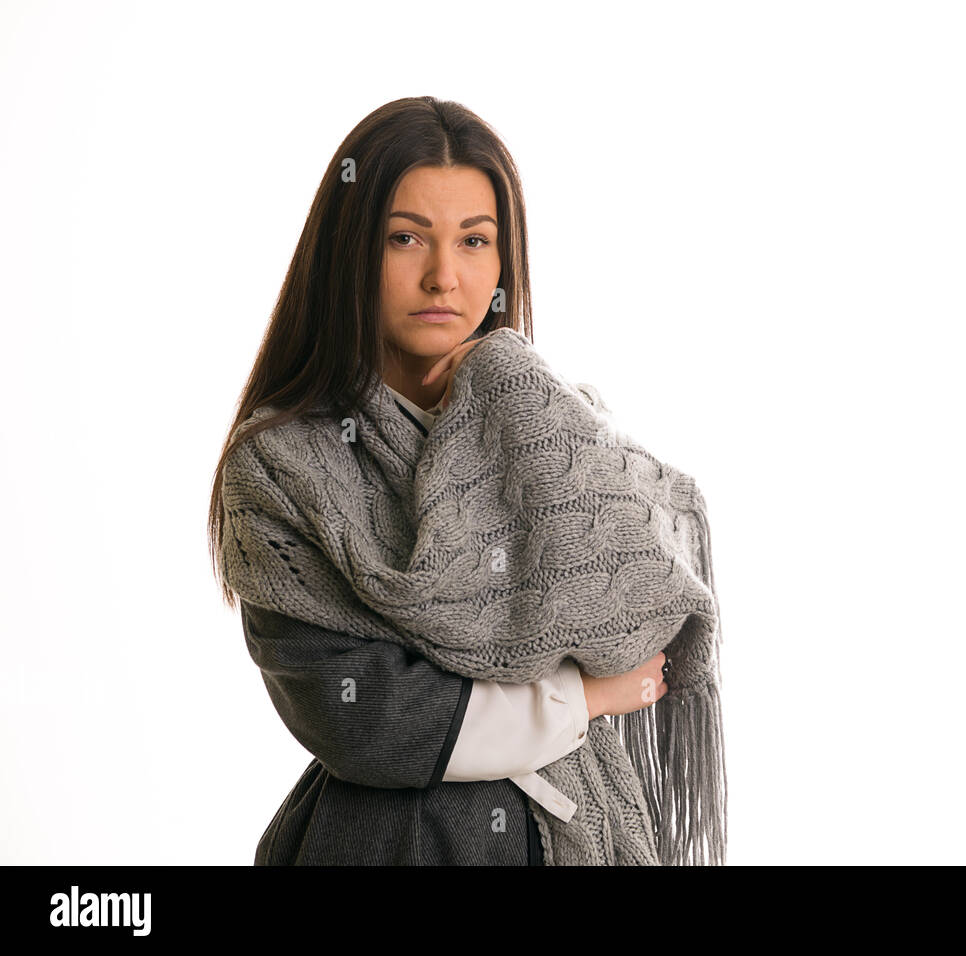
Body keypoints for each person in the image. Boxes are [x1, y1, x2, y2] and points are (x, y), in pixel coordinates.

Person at [208, 96, 669, 865]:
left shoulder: (554, 425)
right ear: (349, 251)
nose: (442, 277)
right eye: (404, 238)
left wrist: (517, 391)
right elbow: (361, 717)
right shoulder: (281, 467)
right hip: (396, 845)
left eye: (475, 241)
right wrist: (581, 700)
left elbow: (645, 607)